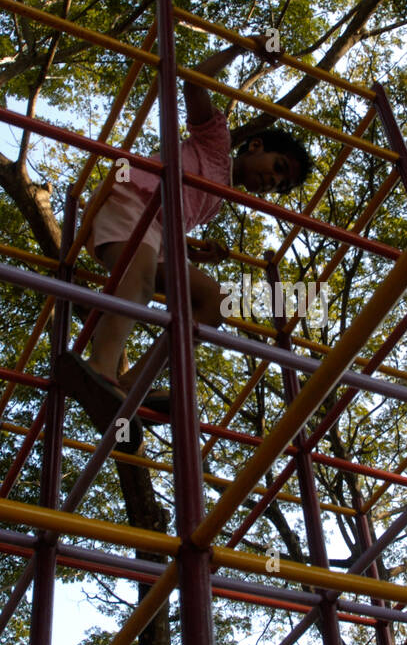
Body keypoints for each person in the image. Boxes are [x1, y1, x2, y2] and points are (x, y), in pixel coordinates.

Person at [60, 33, 312, 452]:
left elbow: (177, 215)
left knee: (213, 300)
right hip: (134, 200)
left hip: (157, 229)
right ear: (256, 145)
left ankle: (129, 384)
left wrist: (193, 248)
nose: (272, 180)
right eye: (277, 166)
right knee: (138, 279)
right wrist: (244, 48)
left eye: (280, 184)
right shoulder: (218, 145)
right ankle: (101, 366)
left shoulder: (220, 198)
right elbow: (194, 82)